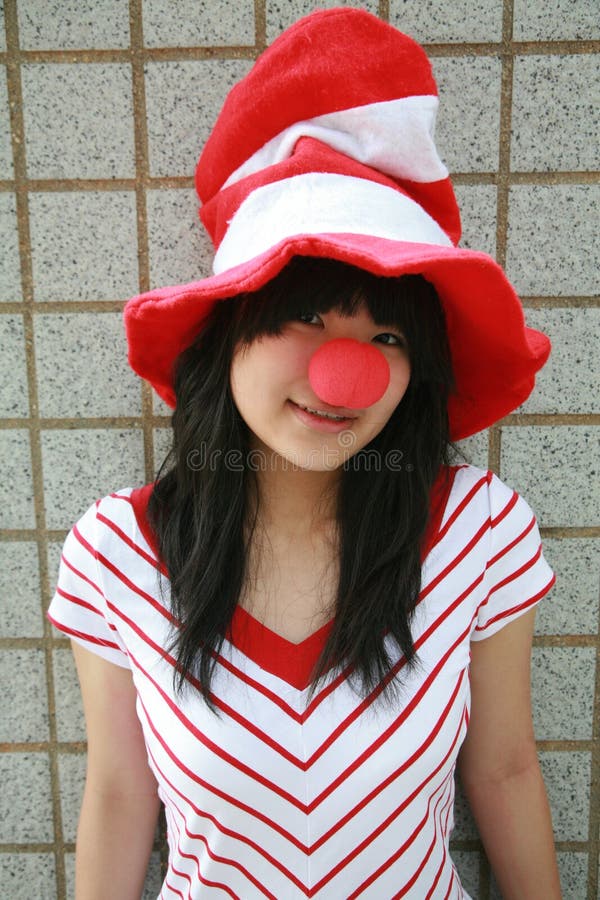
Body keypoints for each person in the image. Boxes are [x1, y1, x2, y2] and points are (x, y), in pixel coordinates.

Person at [47, 8, 562, 899]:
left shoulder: (482, 530)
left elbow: (507, 767)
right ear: (226, 334)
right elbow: (122, 794)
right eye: (306, 316)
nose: (346, 374)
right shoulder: (115, 553)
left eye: (389, 335)